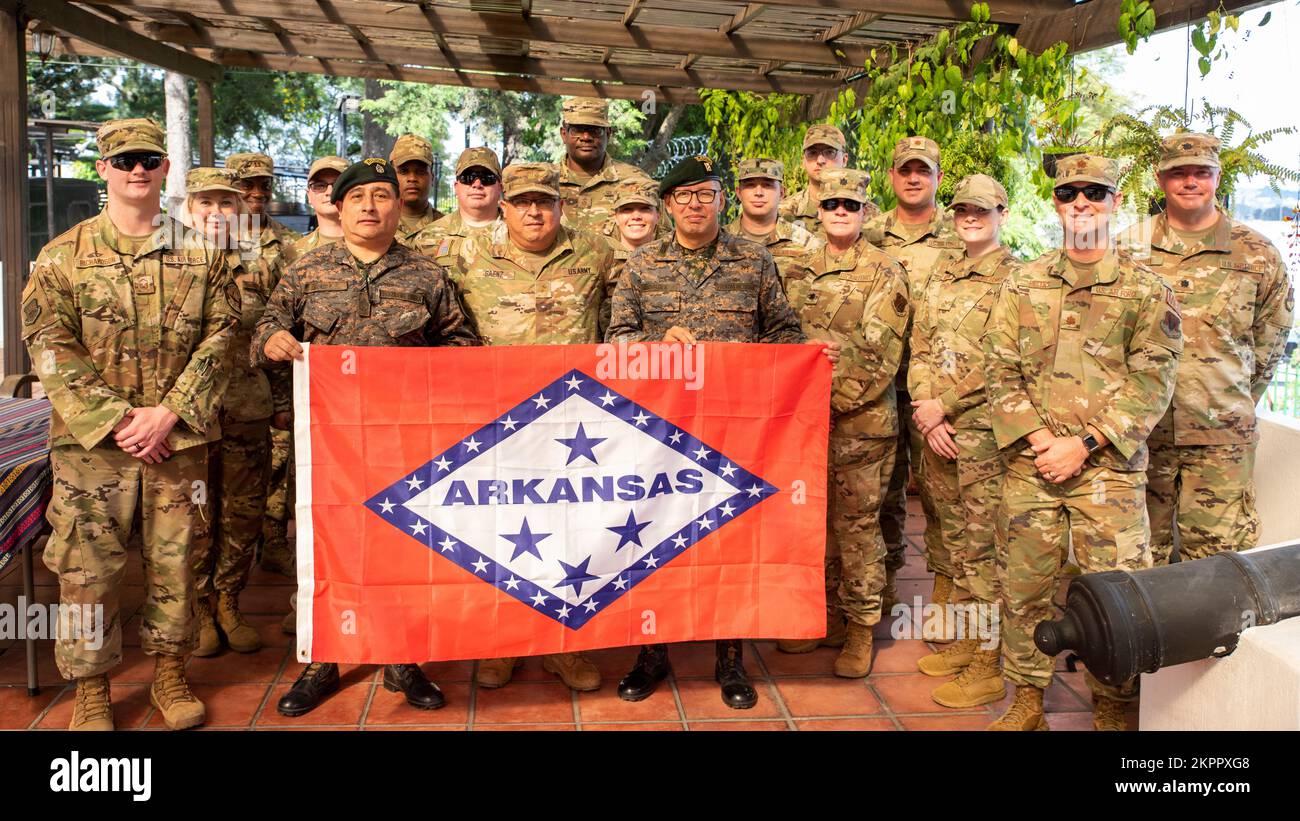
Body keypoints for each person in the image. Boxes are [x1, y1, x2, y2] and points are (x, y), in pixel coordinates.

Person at [21, 118, 240, 730]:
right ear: (103, 171)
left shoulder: (205, 254)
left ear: (165, 167)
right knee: (87, 568)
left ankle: (170, 676)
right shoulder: (62, 255)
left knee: (177, 563)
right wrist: (121, 420)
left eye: (148, 158)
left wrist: (168, 413)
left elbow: (224, 336)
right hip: (94, 449)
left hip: (179, 439)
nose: (136, 169)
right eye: (123, 161)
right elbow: (48, 343)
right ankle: (92, 688)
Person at [606, 155, 836, 708]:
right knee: (652, 539)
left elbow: (785, 332)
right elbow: (615, 339)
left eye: (705, 194)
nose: (693, 205)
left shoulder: (752, 260)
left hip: (738, 428)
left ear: (720, 200)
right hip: (659, 434)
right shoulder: (640, 265)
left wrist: (801, 358)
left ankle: (729, 658)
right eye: (682, 196)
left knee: (728, 537)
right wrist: (654, 348)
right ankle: (652, 652)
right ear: (667, 205)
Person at [253, 158, 479, 717]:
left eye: (382, 196)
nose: (371, 207)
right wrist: (274, 339)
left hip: (402, 440)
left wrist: (427, 376)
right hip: (325, 439)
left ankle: (403, 657)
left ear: (399, 207)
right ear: (339, 206)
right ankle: (323, 659)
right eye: (359, 198)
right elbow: (265, 326)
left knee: (401, 548)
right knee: (325, 547)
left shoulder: (426, 275)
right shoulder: (306, 271)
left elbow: (463, 344)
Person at [982, 154, 1183, 731]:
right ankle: (1026, 701)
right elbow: (999, 368)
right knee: (1023, 588)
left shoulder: (1146, 290)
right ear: (1056, 203)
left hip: (1107, 474)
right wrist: (1045, 440)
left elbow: (1154, 381)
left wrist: (1085, 444)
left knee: (1119, 596)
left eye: (1094, 192)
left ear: (1115, 201)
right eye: (1069, 193)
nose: (1081, 203)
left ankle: (1116, 706)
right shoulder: (1023, 282)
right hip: (1032, 465)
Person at [447, 162, 616, 693]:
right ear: (505, 205)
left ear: (561, 205)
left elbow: (621, 324)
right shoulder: (465, 257)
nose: (534, 211)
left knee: (573, 537)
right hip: (499, 424)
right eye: (522, 202)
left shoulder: (596, 254)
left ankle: (568, 647)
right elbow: (445, 329)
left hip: (576, 427)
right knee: (504, 536)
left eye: (544, 201)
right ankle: (506, 645)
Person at [1117, 133, 1294, 565]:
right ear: (1160, 180)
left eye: (1201, 172)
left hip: (1220, 437)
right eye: (1179, 172)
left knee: (1218, 559)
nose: (1190, 181)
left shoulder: (1256, 253)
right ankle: (1149, 636)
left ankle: (1214, 638)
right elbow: (1106, 339)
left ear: (1217, 177)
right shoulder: (1126, 248)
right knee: (1138, 554)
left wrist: (1228, 401)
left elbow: (1269, 344)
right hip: (1143, 433)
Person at [777, 169, 910, 676]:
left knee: (856, 528)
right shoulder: (795, 269)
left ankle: (860, 627)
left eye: (849, 205)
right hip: (800, 423)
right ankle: (826, 614)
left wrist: (825, 394)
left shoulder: (885, 271)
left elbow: (879, 351)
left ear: (865, 212)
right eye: (831, 203)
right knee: (812, 523)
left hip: (861, 423)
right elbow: (778, 337)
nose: (839, 211)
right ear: (819, 209)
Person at [908, 174, 1021, 707]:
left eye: (981, 210)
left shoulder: (1019, 279)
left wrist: (946, 405)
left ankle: (988, 663)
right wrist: (928, 414)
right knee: (953, 543)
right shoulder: (939, 275)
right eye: (961, 211)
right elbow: (922, 347)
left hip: (986, 435)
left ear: (1001, 212)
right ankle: (966, 641)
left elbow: (1009, 359)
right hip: (938, 433)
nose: (969, 218)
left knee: (985, 550)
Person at [175, 167, 282, 658]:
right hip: (186, 417)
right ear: (188, 209)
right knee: (194, 516)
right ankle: (197, 609)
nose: (216, 213)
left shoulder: (260, 263)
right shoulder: (167, 260)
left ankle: (228, 602)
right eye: (205, 204)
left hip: (246, 406)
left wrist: (281, 402)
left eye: (226, 203)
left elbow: (282, 332)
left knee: (241, 514)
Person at [864, 136, 963, 629]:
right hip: (875, 384)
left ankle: (946, 592)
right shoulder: (869, 231)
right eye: (905, 170)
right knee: (882, 490)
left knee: (942, 494)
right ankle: (879, 585)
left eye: (923, 170)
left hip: (937, 392)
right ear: (892, 176)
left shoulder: (961, 230)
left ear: (937, 178)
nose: (913, 178)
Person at [554, 97, 654, 234]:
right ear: (564, 134)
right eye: (577, 130)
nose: (585, 137)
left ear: (608, 134)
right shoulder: (546, 181)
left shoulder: (636, 180)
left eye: (595, 130)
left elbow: (662, 237)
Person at [723, 157, 822, 280]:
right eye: (750, 185)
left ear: (781, 193)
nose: (758, 192)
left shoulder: (807, 244)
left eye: (767, 185)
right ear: (739, 193)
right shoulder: (719, 241)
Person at [412, 146, 504, 270]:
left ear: (500, 187)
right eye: (468, 177)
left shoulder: (519, 234)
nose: (477, 184)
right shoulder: (427, 238)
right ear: (456, 187)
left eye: (486, 178)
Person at [779, 124, 879, 234]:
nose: (820, 160)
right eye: (812, 153)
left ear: (845, 159)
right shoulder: (783, 212)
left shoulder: (870, 214)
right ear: (803, 160)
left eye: (829, 152)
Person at [225, 151, 301, 258]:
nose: (258, 193)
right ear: (230, 188)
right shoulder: (214, 238)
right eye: (247, 185)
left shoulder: (294, 242)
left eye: (266, 185)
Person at [390, 133, 445, 246]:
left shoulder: (450, 229)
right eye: (404, 171)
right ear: (391, 177)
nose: (412, 178)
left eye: (420, 172)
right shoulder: (379, 225)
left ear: (432, 178)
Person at [291, 155, 349, 259]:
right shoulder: (292, 255)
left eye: (338, 185)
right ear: (309, 196)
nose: (330, 192)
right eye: (319, 185)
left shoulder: (376, 246)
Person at [607, 178, 661, 283]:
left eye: (645, 208)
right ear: (615, 217)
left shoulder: (674, 259)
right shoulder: (601, 261)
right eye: (627, 209)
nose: (636, 216)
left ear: (658, 216)